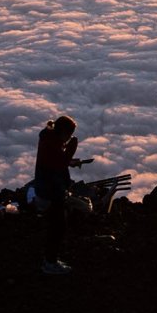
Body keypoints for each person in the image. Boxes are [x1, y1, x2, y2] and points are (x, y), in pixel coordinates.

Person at [33, 115, 91, 275]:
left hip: (49, 191)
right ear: (64, 132)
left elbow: (57, 162)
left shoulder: (50, 141)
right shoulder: (51, 145)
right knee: (57, 229)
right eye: (70, 135)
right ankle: (49, 263)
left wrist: (69, 160)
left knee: (57, 227)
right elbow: (58, 163)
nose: (70, 138)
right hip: (50, 194)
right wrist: (72, 148)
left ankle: (50, 260)